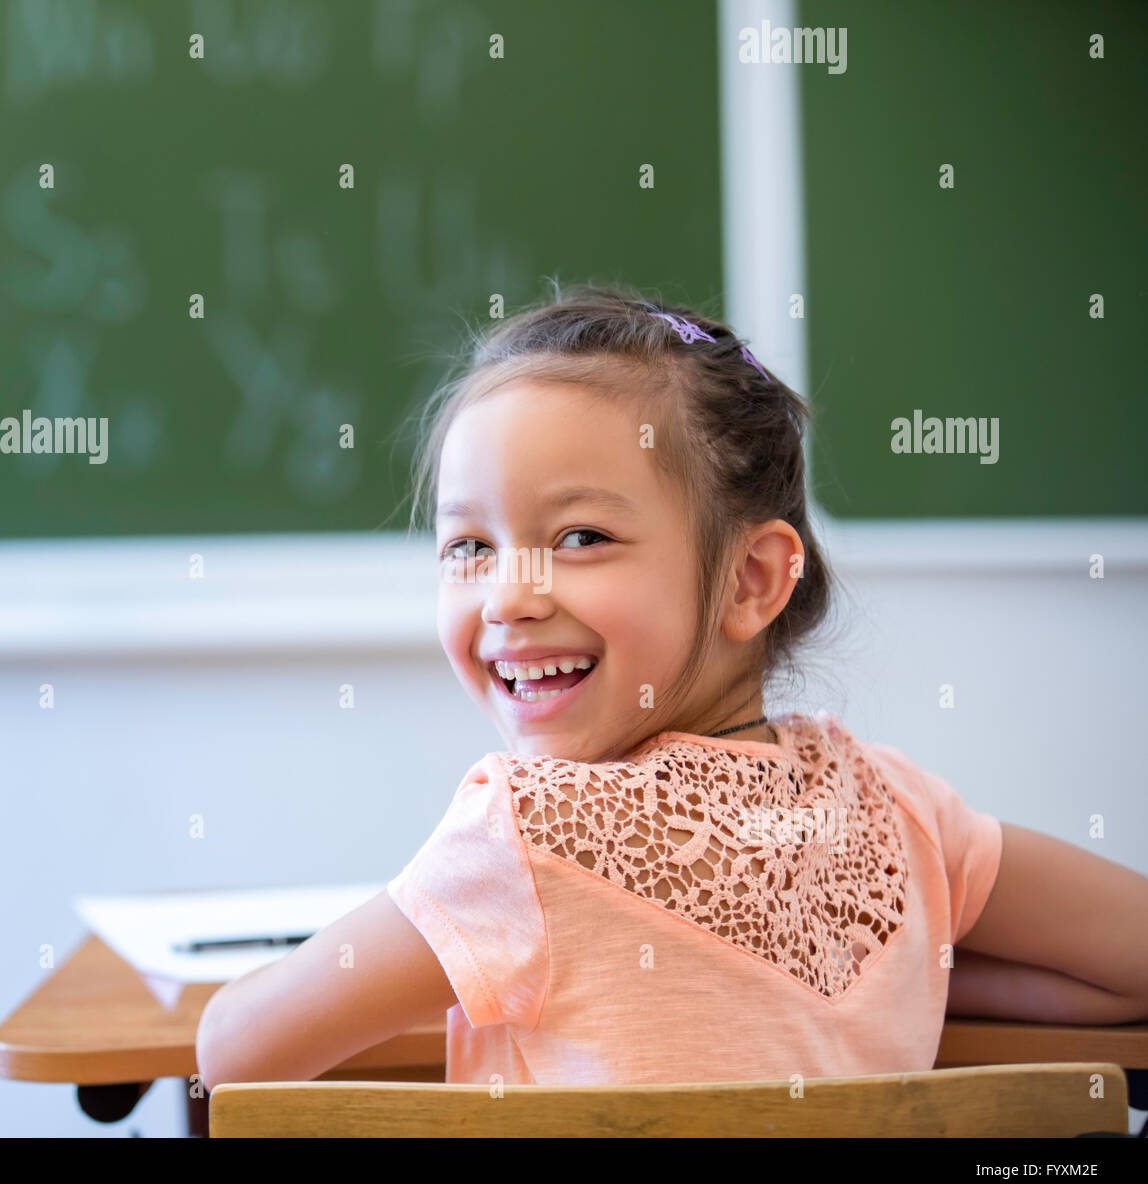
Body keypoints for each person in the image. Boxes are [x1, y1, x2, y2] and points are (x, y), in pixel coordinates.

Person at [196, 282, 1148, 1089]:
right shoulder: (901, 813)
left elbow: (233, 1051)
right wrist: (908, 962)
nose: (509, 599)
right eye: (470, 548)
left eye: (580, 538)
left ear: (751, 581)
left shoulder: (521, 839)